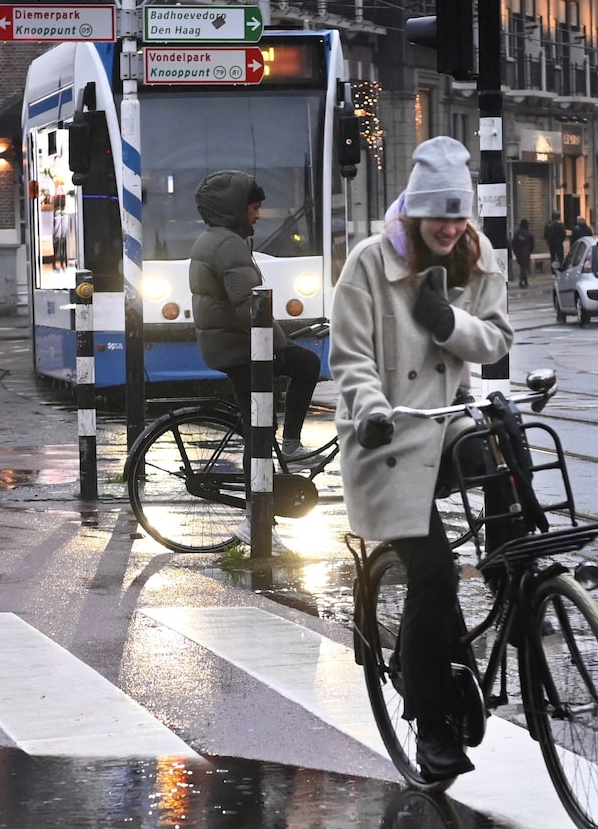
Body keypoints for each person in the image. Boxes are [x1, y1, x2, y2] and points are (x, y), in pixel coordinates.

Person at [331, 138, 513, 782]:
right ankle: (431, 721)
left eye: (459, 216)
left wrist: (448, 323)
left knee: (507, 446)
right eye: (438, 216)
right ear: (411, 214)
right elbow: (349, 358)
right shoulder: (368, 265)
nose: (450, 228)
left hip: (446, 425)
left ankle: (511, 564)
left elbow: (495, 342)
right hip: (387, 436)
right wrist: (371, 407)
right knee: (433, 574)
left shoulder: (479, 258)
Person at [190, 170, 320, 453]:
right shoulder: (229, 245)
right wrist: (280, 344)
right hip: (240, 350)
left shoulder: (213, 238)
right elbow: (250, 306)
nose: (258, 215)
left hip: (227, 346)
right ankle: (291, 447)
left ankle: (264, 491)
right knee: (307, 364)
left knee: (259, 425)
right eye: (254, 208)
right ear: (235, 209)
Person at [511, 219, 536, 287]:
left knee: (522, 267)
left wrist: (516, 251)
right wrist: (530, 250)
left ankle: (525, 281)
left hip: (519, 253)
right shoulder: (529, 234)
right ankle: (521, 281)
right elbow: (532, 244)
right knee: (524, 267)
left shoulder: (518, 233)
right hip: (526, 253)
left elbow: (513, 243)